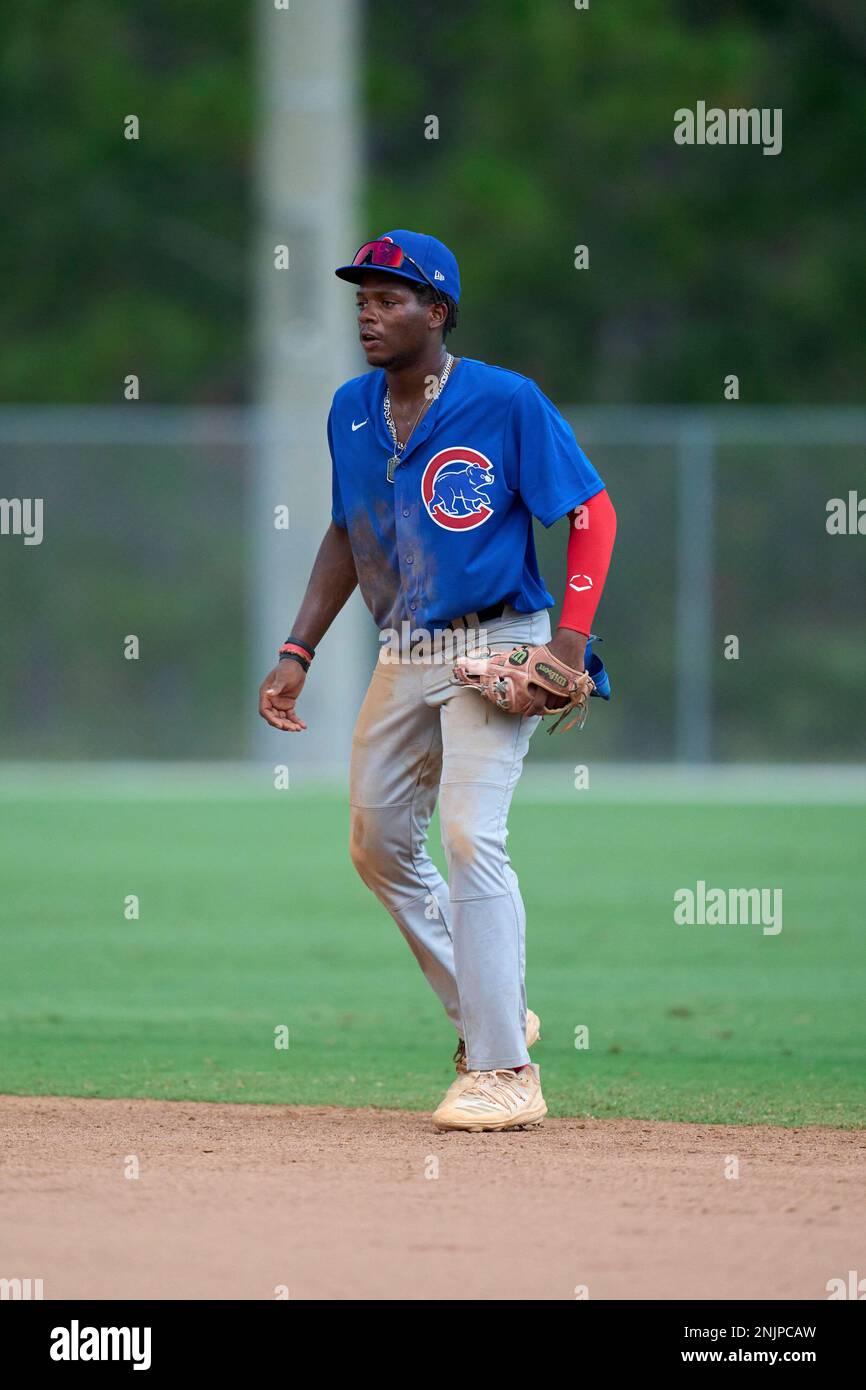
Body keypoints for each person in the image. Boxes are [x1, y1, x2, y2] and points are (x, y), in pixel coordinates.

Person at [259, 230, 616, 1132]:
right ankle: (489, 1001)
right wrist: (297, 652)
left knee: (467, 833)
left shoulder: (505, 400)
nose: (369, 315)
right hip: (406, 647)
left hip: (499, 643)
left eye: (390, 299)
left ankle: (504, 1069)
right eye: (362, 301)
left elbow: (592, 513)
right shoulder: (350, 408)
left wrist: (569, 651)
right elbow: (347, 534)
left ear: (438, 311)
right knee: (377, 842)